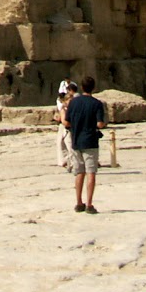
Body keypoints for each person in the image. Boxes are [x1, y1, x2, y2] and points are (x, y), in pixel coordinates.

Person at [62, 76, 106, 213]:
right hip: (90, 141)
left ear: (81, 87)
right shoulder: (97, 104)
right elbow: (100, 124)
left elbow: (67, 122)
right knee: (91, 172)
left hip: (76, 140)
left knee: (79, 172)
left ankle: (79, 202)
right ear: (94, 87)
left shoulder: (73, 103)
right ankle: (89, 204)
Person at [55, 80, 76, 168]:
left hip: (69, 128)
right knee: (61, 144)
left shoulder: (72, 108)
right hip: (64, 127)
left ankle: (72, 162)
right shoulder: (63, 108)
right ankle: (65, 161)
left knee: (70, 145)